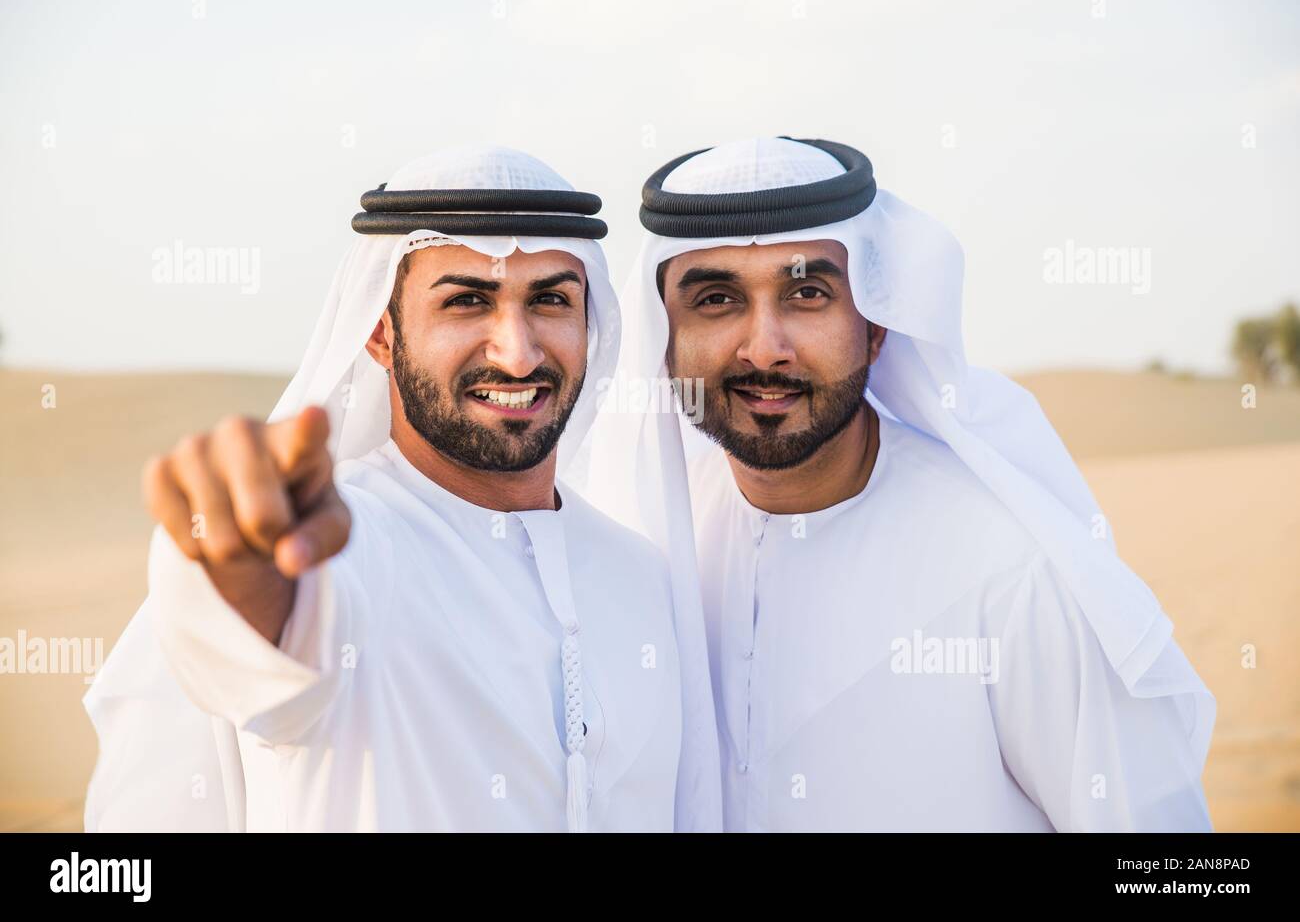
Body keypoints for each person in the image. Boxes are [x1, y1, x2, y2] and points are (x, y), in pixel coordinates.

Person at [82, 145, 723, 832]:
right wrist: (244, 568)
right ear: (382, 335)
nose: (518, 350)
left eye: (550, 300)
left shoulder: (640, 574)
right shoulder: (348, 546)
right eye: (467, 301)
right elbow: (266, 646)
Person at [585, 136, 1215, 831]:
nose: (764, 345)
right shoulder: (651, 546)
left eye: (807, 292)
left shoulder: (1012, 570)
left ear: (877, 326)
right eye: (715, 298)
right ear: (663, 336)